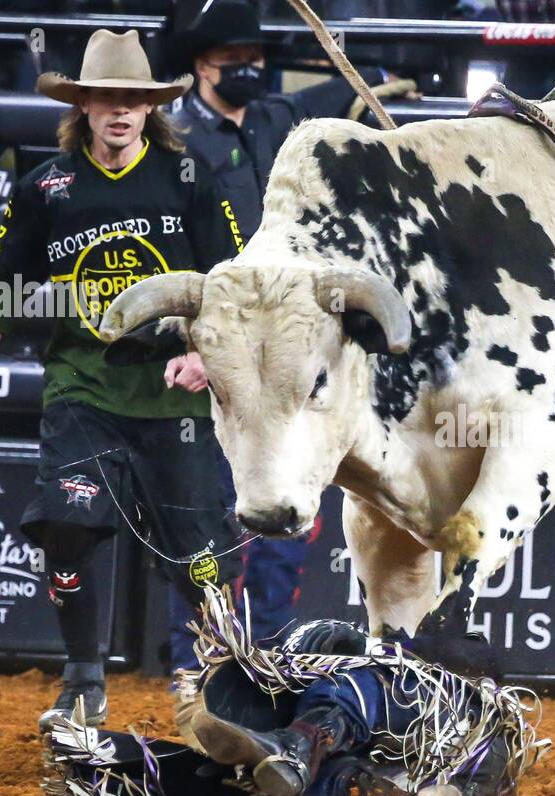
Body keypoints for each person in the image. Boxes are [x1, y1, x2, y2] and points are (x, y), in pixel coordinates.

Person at [0, 29, 246, 730]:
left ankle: (226, 682)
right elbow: (5, 286)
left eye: (134, 99)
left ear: (150, 109)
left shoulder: (188, 173)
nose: (121, 110)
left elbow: (232, 281)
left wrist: (206, 354)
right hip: (83, 385)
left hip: (175, 395)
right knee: (67, 529)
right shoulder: (46, 186)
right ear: (84, 107)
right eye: (107, 98)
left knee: (201, 557)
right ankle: (82, 681)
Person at [157, 0, 398, 670]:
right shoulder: (174, 143)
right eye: (233, 62)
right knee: (215, 516)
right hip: (226, 350)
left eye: (255, 61)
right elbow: (173, 249)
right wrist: (194, 346)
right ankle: (197, 661)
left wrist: (380, 81)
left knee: (289, 498)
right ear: (201, 66)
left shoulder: (278, 119)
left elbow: (344, 94)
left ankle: (266, 653)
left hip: (290, 346)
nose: (247, 71)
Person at [45, 598, 548, 796]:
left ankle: (296, 750)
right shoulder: (385, 655)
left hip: (438, 730)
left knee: (360, 687)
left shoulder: (456, 677)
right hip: (402, 758)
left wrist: (366, 645)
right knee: (277, 781)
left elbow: (476, 668)